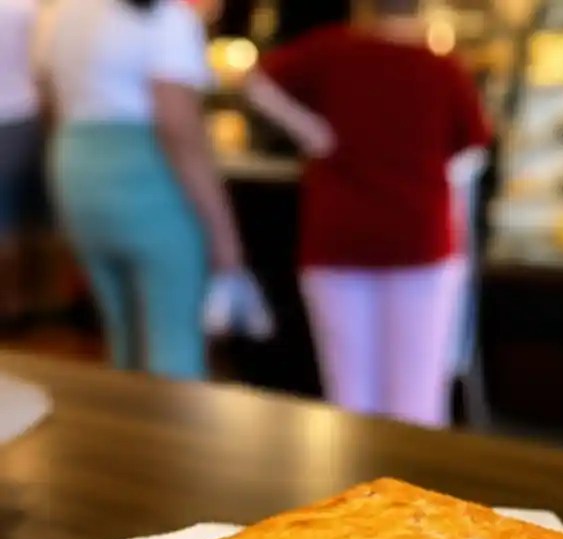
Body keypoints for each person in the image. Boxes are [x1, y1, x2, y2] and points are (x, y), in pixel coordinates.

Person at [245, 0, 490, 427]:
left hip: (339, 237)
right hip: (420, 241)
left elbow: (255, 82)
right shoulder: (442, 68)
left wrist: (312, 133)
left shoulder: (330, 49)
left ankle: (363, 492)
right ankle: (411, 494)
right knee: (417, 399)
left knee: (348, 397)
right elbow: (471, 152)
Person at [38, 0, 243, 379]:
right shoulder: (167, 20)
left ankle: (126, 435)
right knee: (174, 339)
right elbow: (179, 129)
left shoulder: (61, 14)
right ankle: (178, 437)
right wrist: (224, 235)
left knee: (122, 333)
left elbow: (48, 103)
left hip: (75, 169)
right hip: (146, 176)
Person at [0, 0, 42, 325]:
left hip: (17, 112)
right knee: (13, 218)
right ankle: (14, 302)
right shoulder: (28, 8)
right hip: (19, 112)